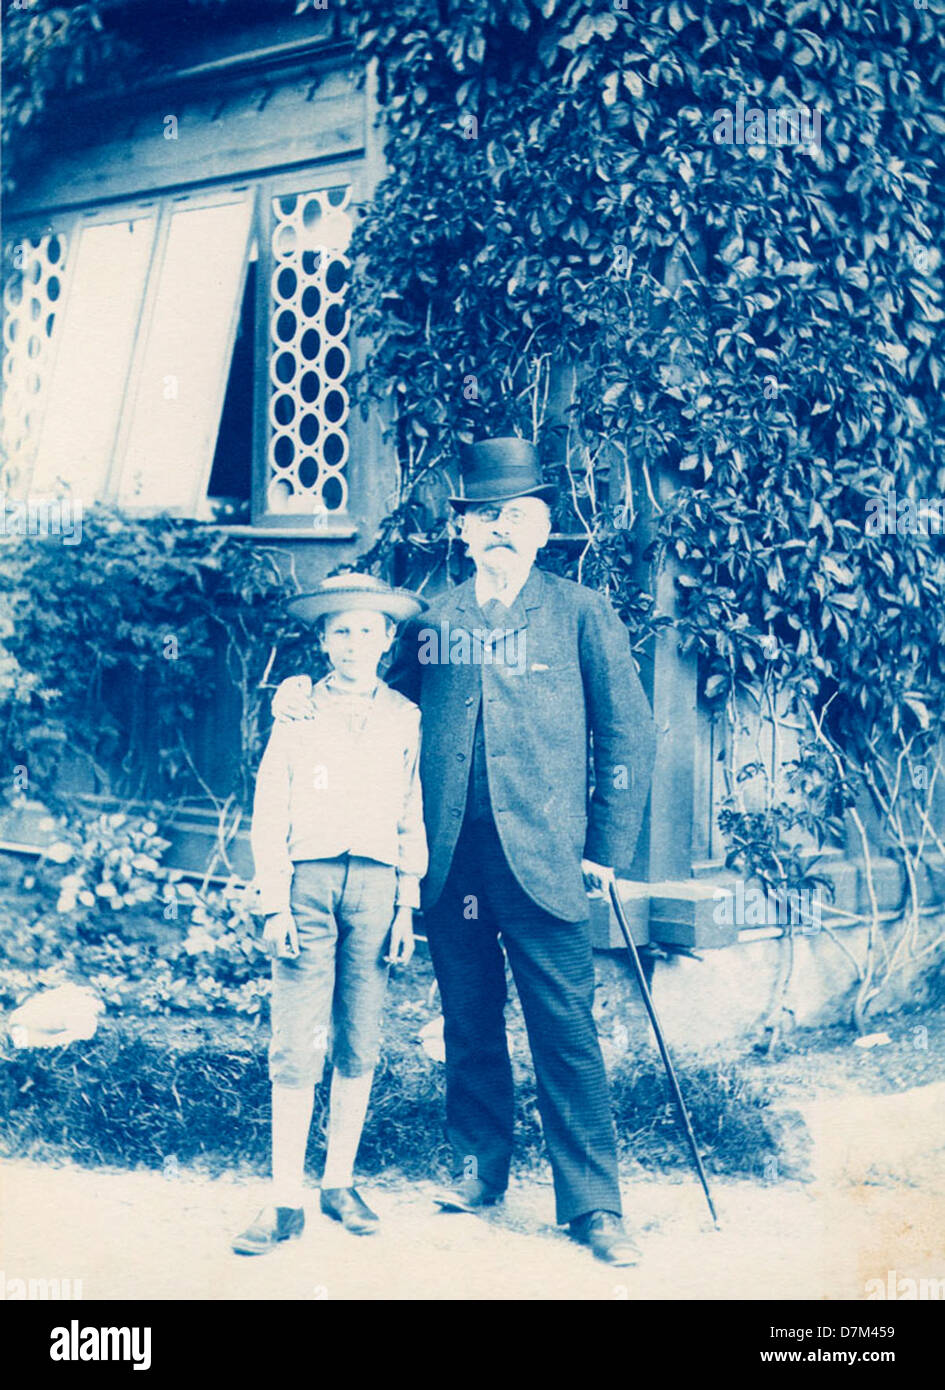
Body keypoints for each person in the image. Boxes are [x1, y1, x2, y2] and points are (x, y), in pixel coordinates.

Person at [273, 438, 657, 1266]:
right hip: (448, 859)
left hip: (548, 857)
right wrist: (301, 691)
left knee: (565, 1028)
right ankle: (481, 1170)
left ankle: (592, 1206)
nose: (500, 530)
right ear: (466, 531)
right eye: (485, 517)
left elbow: (627, 728)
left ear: (541, 525)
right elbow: (374, 702)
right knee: (469, 1022)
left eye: (515, 516)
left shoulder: (580, 612)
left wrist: (606, 845)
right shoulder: (434, 619)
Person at [232, 573, 428, 1255]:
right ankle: (286, 1196)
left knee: (361, 1034)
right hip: (307, 885)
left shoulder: (404, 717)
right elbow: (271, 809)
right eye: (339, 630)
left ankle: (338, 1181)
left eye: (367, 630)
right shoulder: (296, 713)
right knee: (296, 1040)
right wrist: (274, 901)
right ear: (321, 640)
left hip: (375, 887)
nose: (353, 643)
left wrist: (406, 904)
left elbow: (410, 809)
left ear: (387, 640)